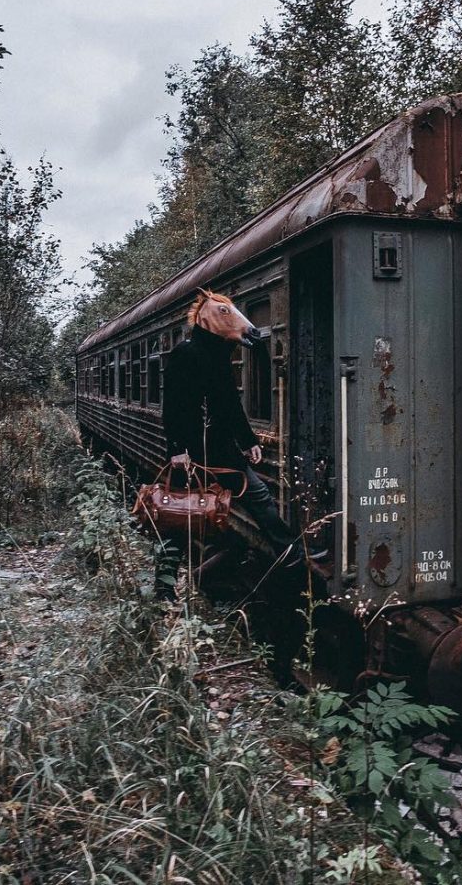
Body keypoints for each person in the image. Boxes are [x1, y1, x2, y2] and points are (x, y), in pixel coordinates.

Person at [157, 288, 308, 684]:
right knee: (179, 515)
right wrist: (177, 451)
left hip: (222, 449)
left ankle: (289, 551)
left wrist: (250, 442)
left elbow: (229, 404)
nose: (238, 322)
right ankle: (163, 585)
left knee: (257, 494)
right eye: (227, 314)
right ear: (211, 317)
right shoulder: (184, 354)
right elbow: (172, 406)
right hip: (191, 452)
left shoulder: (221, 355)